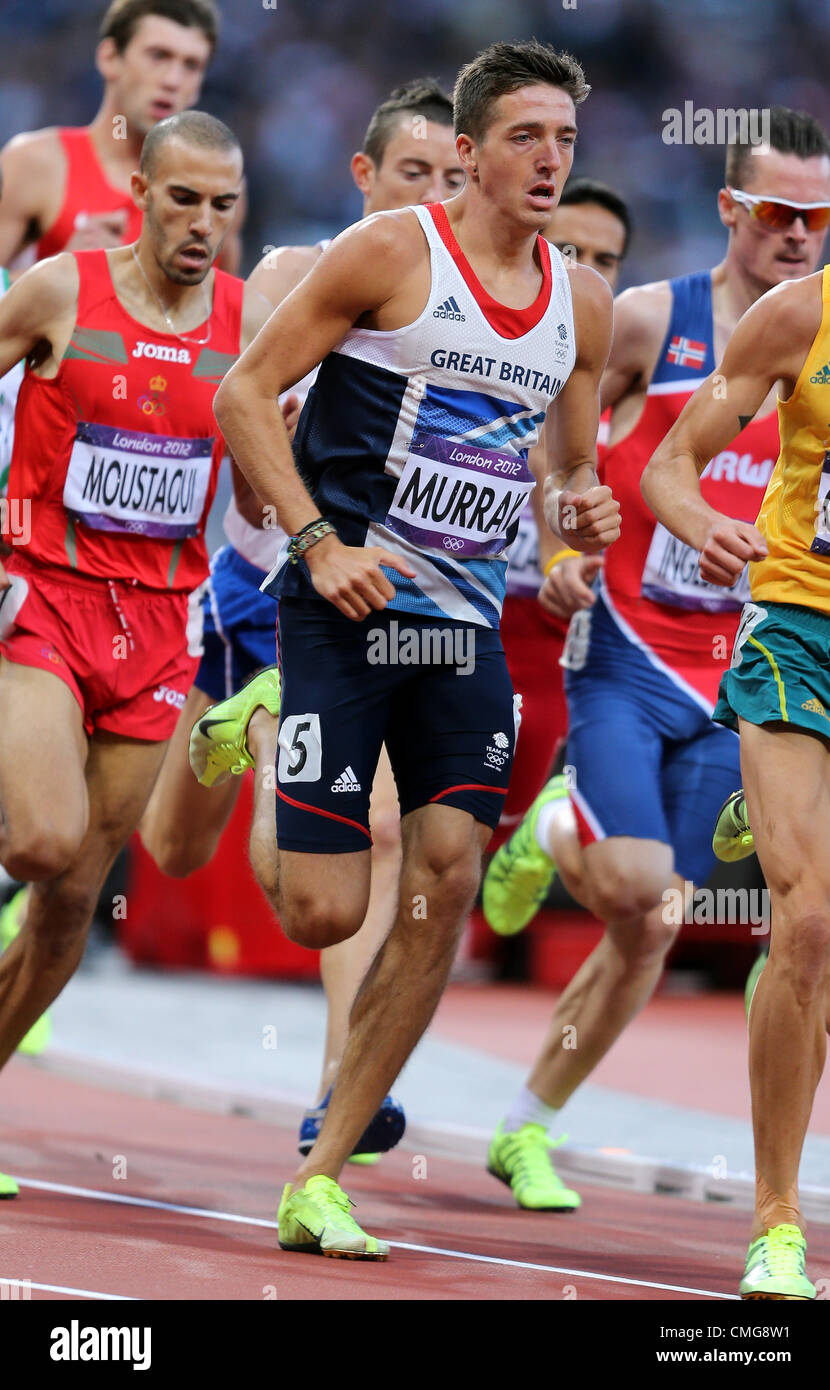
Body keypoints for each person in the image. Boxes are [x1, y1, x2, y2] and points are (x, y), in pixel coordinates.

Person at [202, 38, 619, 1260]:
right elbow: (242, 394)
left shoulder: (578, 303)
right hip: (337, 607)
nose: (551, 162)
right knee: (327, 914)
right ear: (472, 153)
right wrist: (321, 542)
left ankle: (324, 1170)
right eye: (529, 139)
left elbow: (567, 469)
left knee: (439, 881)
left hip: (461, 626)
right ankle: (264, 717)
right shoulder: (394, 252)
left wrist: (577, 519)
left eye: (567, 142)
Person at [481, 107, 830, 1221]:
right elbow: (558, 433)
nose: (795, 235)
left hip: (742, 665)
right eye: (775, 213)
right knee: (637, 885)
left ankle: (524, 1127)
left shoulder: (817, 338)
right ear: (731, 208)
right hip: (630, 649)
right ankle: (550, 826)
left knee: (656, 921)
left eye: (815, 218)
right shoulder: (650, 320)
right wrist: (555, 536)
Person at [139, 80, 464, 1163]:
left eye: (451, 177)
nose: (436, 195)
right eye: (412, 174)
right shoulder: (291, 275)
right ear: (365, 178)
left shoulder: (478, 313)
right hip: (252, 586)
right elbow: (235, 422)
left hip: (355, 609)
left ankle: (342, 1086)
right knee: (174, 850)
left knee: (365, 836)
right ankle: (247, 730)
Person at [0, 111, 266, 1200]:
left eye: (223, 205)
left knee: (75, 892)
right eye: (183, 199)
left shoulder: (252, 324)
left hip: (162, 624)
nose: (202, 224)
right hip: (45, 596)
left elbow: (260, 487)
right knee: (40, 841)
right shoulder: (62, 289)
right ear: (140, 195)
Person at [641, 180, 830, 1305]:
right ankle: (775, 1221)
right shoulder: (799, 316)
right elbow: (673, 459)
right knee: (803, 923)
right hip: (799, 635)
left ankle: (772, 813)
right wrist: (699, 521)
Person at [491, 179, 631, 857]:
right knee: (412, 823)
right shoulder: (478, 344)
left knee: (490, 832)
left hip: (549, 635)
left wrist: (567, 561)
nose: (585, 270)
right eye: (570, 249)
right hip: (453, 618)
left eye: (605, 261)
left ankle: (544, 828)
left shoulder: (623, 382)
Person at [0, 0, 243, 274]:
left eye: (191, 65)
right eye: (158, 56)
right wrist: (58, 273)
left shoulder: (219, 187)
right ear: (110, 58)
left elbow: (226, 310)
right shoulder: (35, 163)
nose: (173, 80)